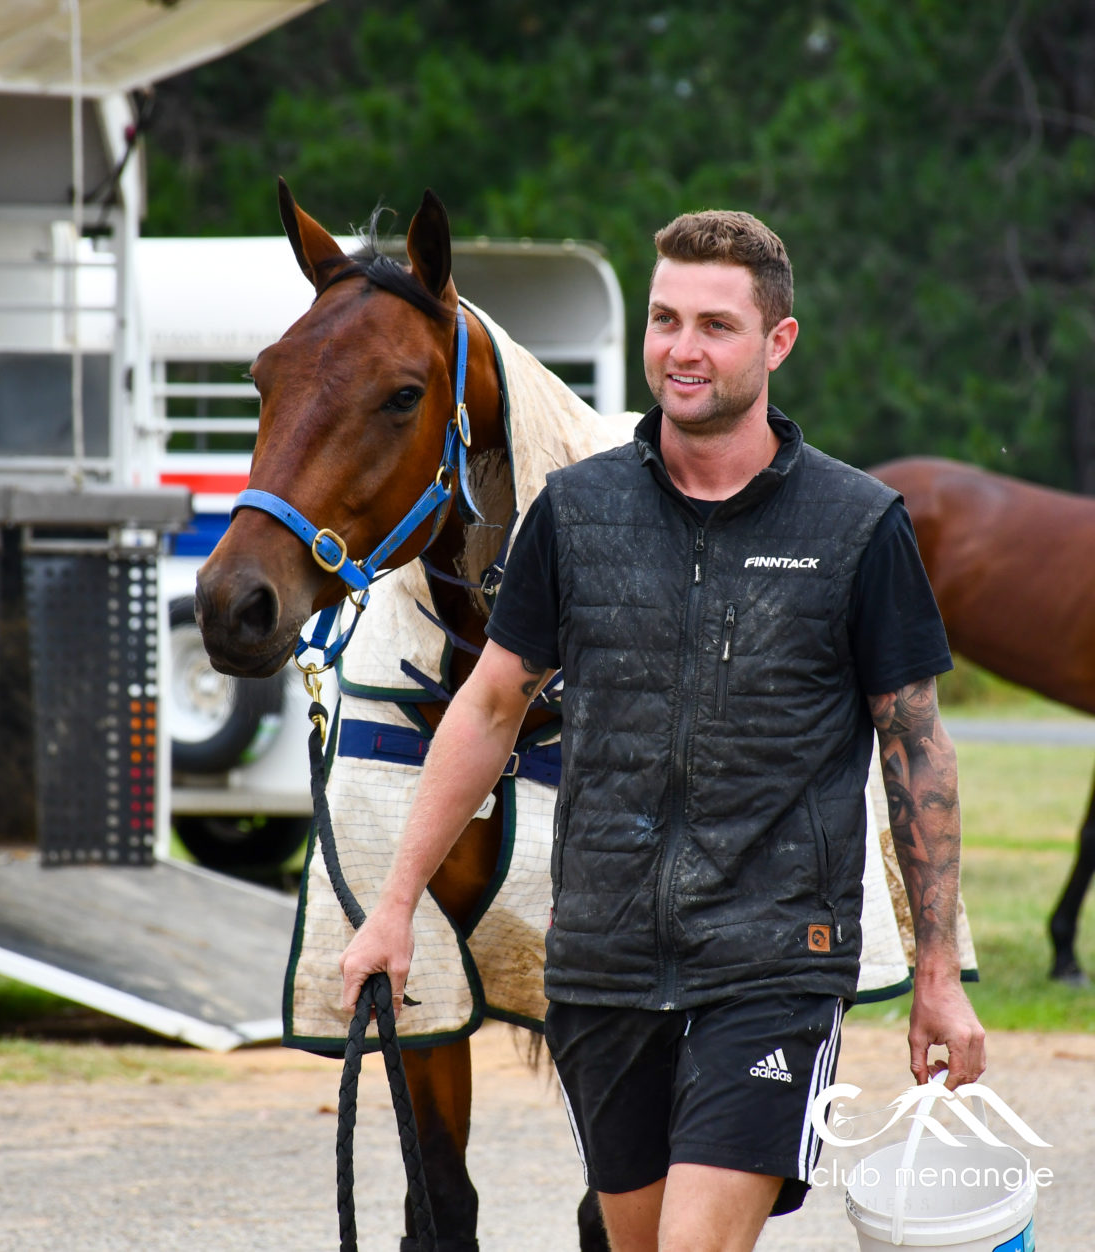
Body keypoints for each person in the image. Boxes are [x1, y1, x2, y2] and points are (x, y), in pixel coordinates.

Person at [339, 209, 987, 1251]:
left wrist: (940, 977)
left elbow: (916, 747)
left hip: (776, 962)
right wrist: (394, 905)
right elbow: (493, 703)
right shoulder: (576, 512)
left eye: (717, 326)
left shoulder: (856, 525)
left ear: (777, 342)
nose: (682, 349)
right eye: (664, 318)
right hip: (602, 968)